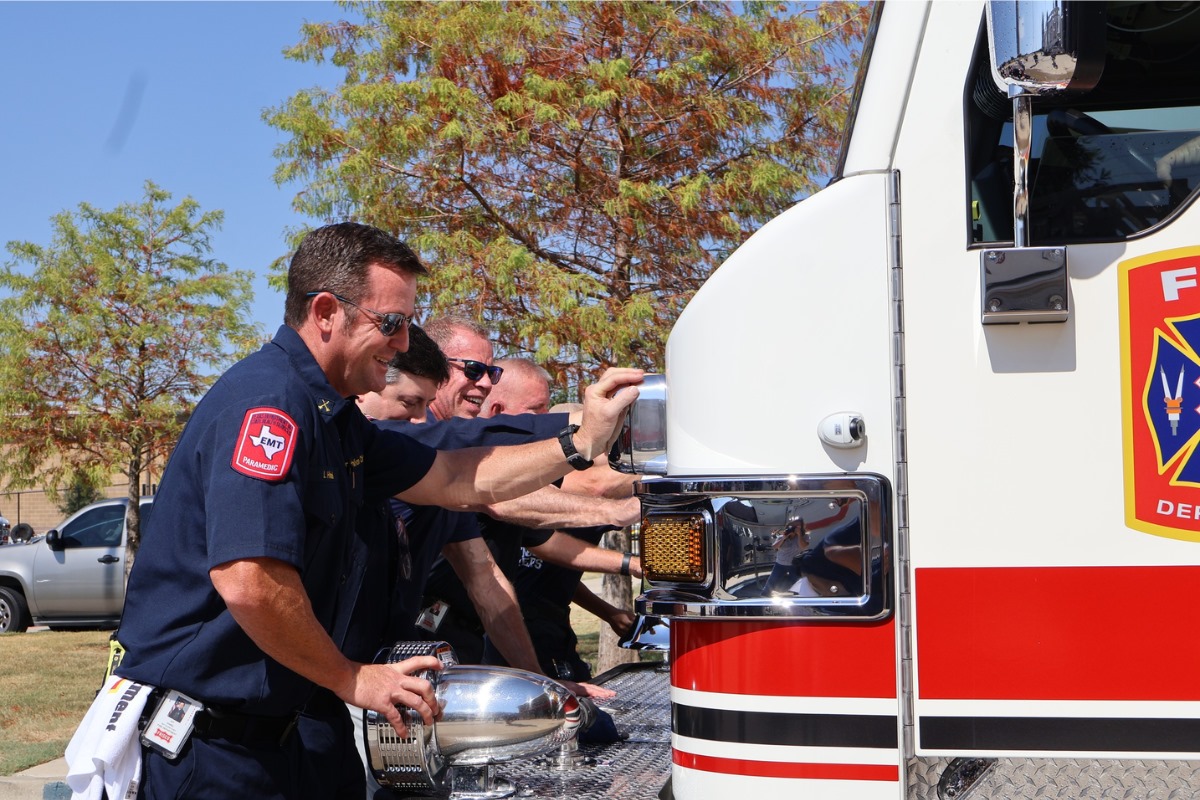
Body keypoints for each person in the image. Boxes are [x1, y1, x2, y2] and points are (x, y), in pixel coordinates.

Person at [77, 222, 641, 800]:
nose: (402, 344)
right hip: (220, 751)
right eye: (391, 324)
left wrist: (579, 443)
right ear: (326, 312)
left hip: (301, 736)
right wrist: (353, 679)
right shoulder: (268, 407)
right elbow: (250, 583)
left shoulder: (337, 421)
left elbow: (455, 477)